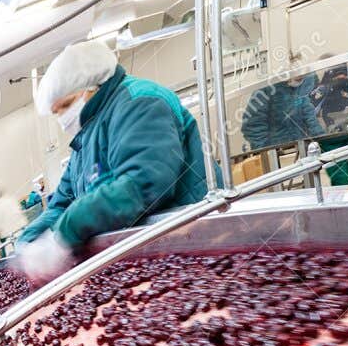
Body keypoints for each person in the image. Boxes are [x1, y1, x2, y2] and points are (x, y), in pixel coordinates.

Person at [17, 41, 206, 280]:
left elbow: (143, 183)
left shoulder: (141, 102)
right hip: (148, 257)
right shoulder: (85, 138)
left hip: (191, 244)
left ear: (93, 87)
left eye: (65, 106)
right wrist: (29, 241)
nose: (62, 118)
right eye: (56, 112)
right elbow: (63, 202)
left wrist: (66, 231)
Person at [242, 71, 348, 186]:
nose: (301, 76)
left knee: (334, 149)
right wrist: (264, 153)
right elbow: (252, 125)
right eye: (297, 72)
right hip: (276, 152)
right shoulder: (265, 90)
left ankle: (346, 188)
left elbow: (308, 113)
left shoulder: (301, 87)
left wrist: (322, 137)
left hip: (299, 146)